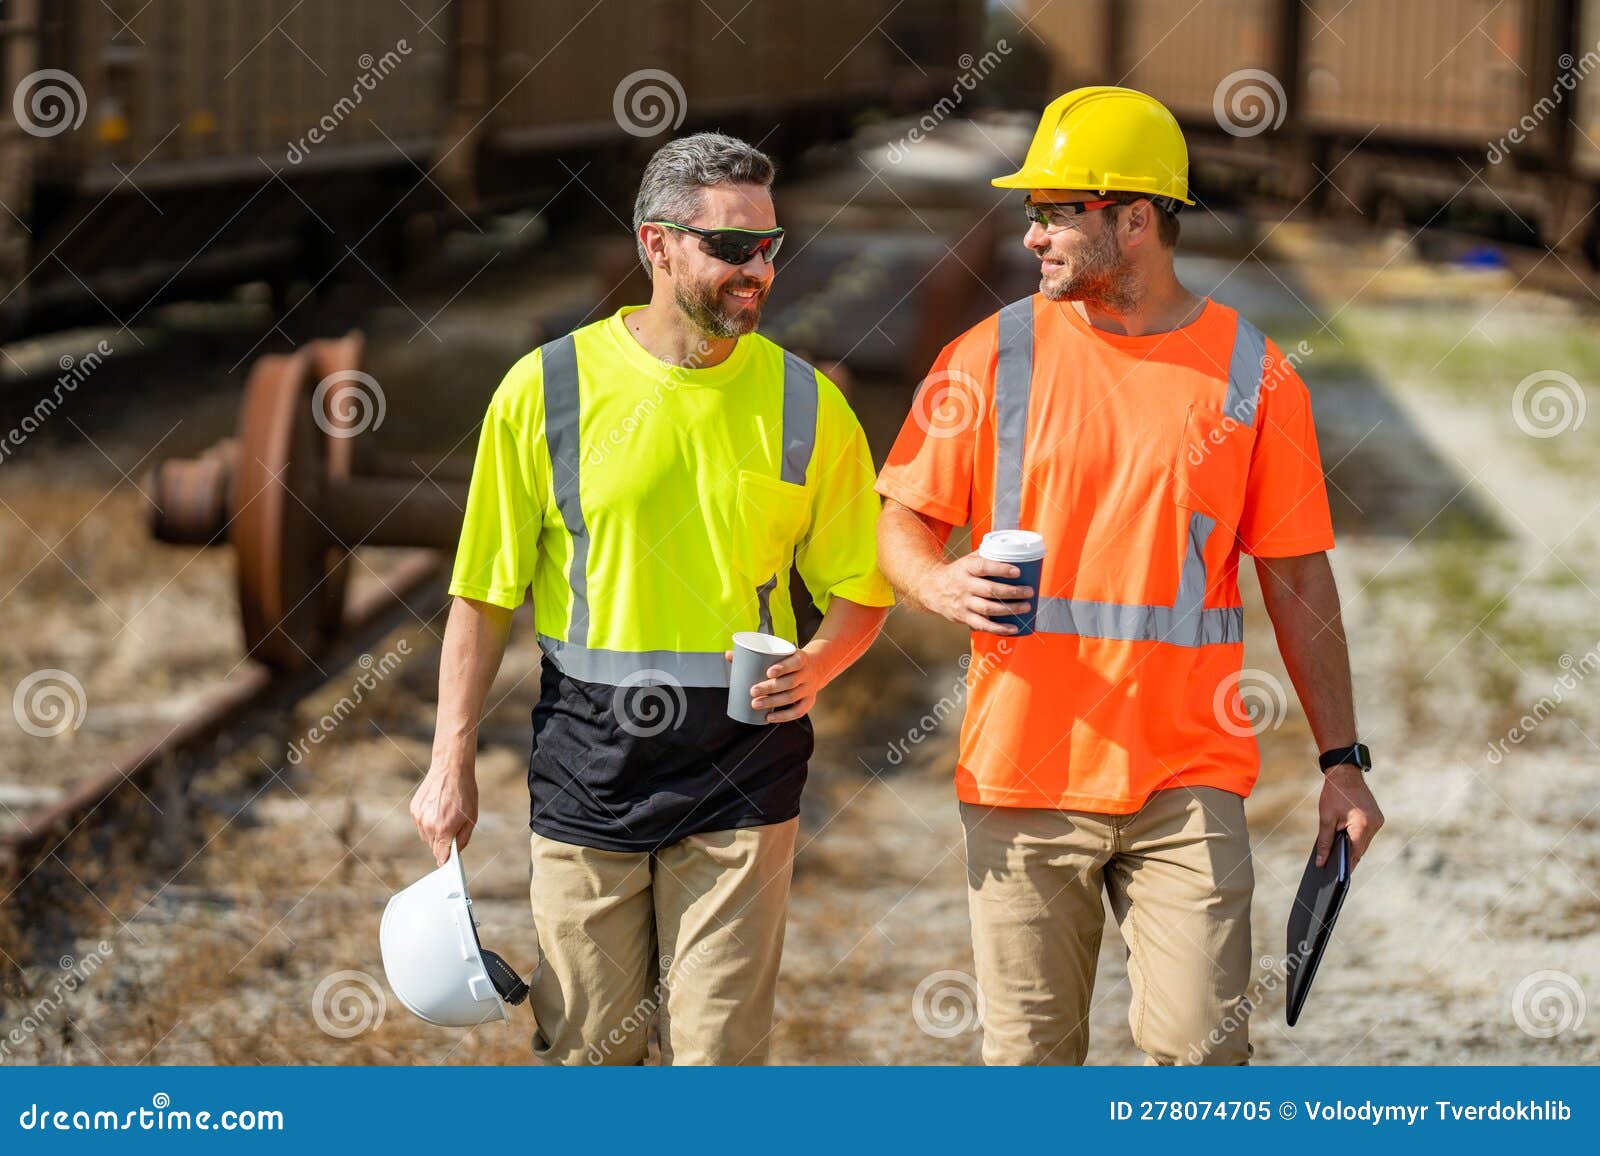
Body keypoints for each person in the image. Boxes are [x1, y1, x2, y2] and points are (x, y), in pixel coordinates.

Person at [874, 87, 1384, 1065]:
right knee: (1030, 1072)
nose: (1031, 237)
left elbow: (1299, 582)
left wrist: (1340, 761)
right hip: (1022, 777)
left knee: (1200, 1067)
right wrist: (934, 582)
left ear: (1135, 219)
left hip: (1185, 784)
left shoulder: (1253, 372)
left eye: (1055, 211)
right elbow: (903, 518)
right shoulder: (987, 357)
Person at [411, 132, 893, 1065]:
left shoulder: (807, 404)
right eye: (730, 248)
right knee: (590, 1055)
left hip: (744, 762)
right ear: (656, 246)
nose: (757, 270)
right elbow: (482, 594)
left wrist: (821, 664)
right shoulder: (548, 389)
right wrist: (449, 763)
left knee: (718, 1058)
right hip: (588, 757)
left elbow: (863, 585)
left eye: (768, 246)